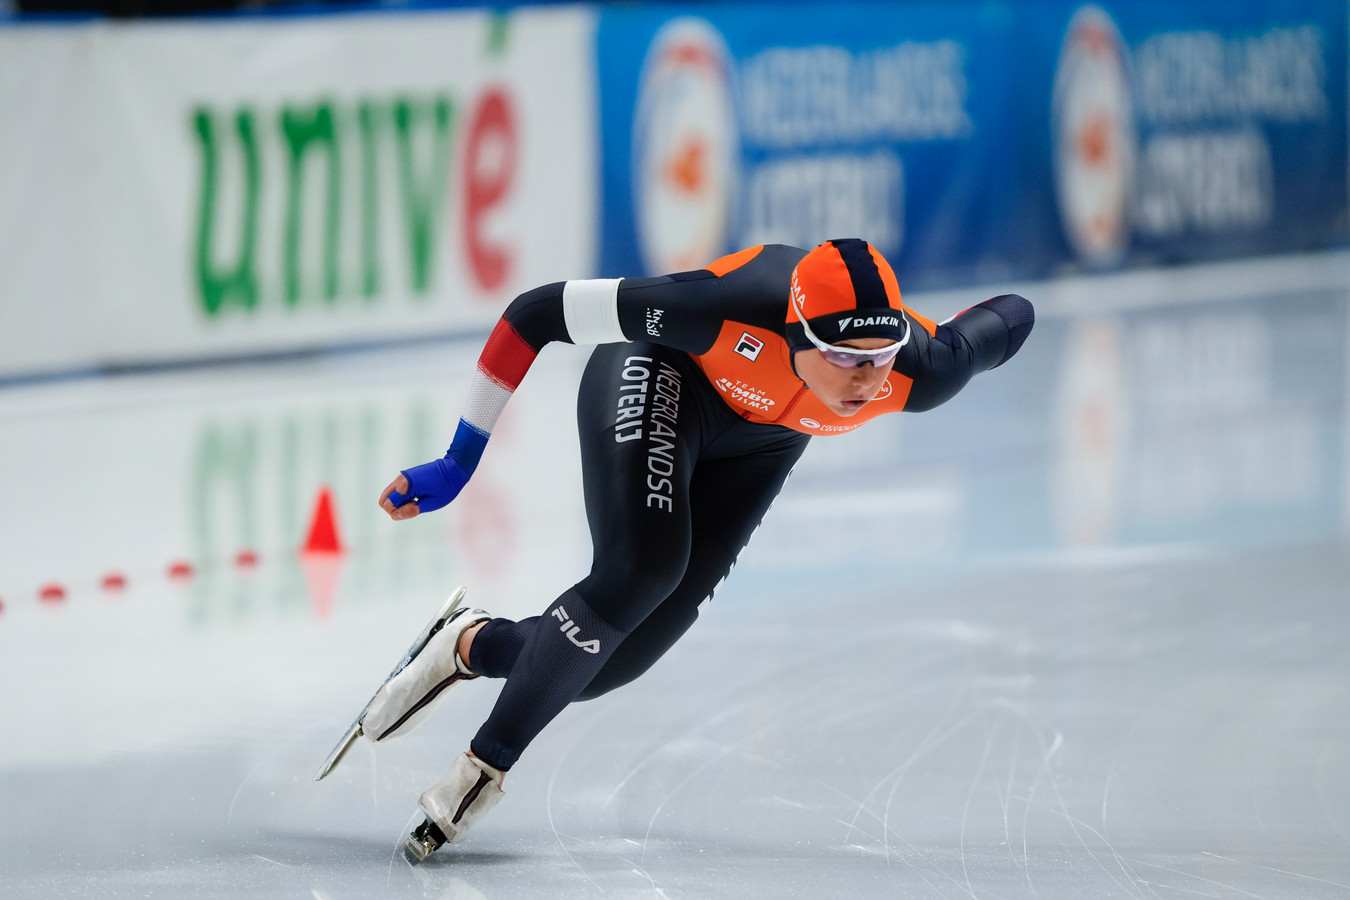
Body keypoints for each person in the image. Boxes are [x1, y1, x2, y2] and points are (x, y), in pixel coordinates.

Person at [363, 239, 1033, 856]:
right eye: (845, 359)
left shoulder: (919, 370)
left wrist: (999, 315)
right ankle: (479, 772)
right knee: (641, 571)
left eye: (878, 360)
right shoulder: (719, 311)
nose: (865, 382)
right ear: (796, 334)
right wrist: (457, 461)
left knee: (609, 668)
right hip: (661, 377)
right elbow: (533, 314)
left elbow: (1008, 318)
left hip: (764, 444)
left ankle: (470, 644)